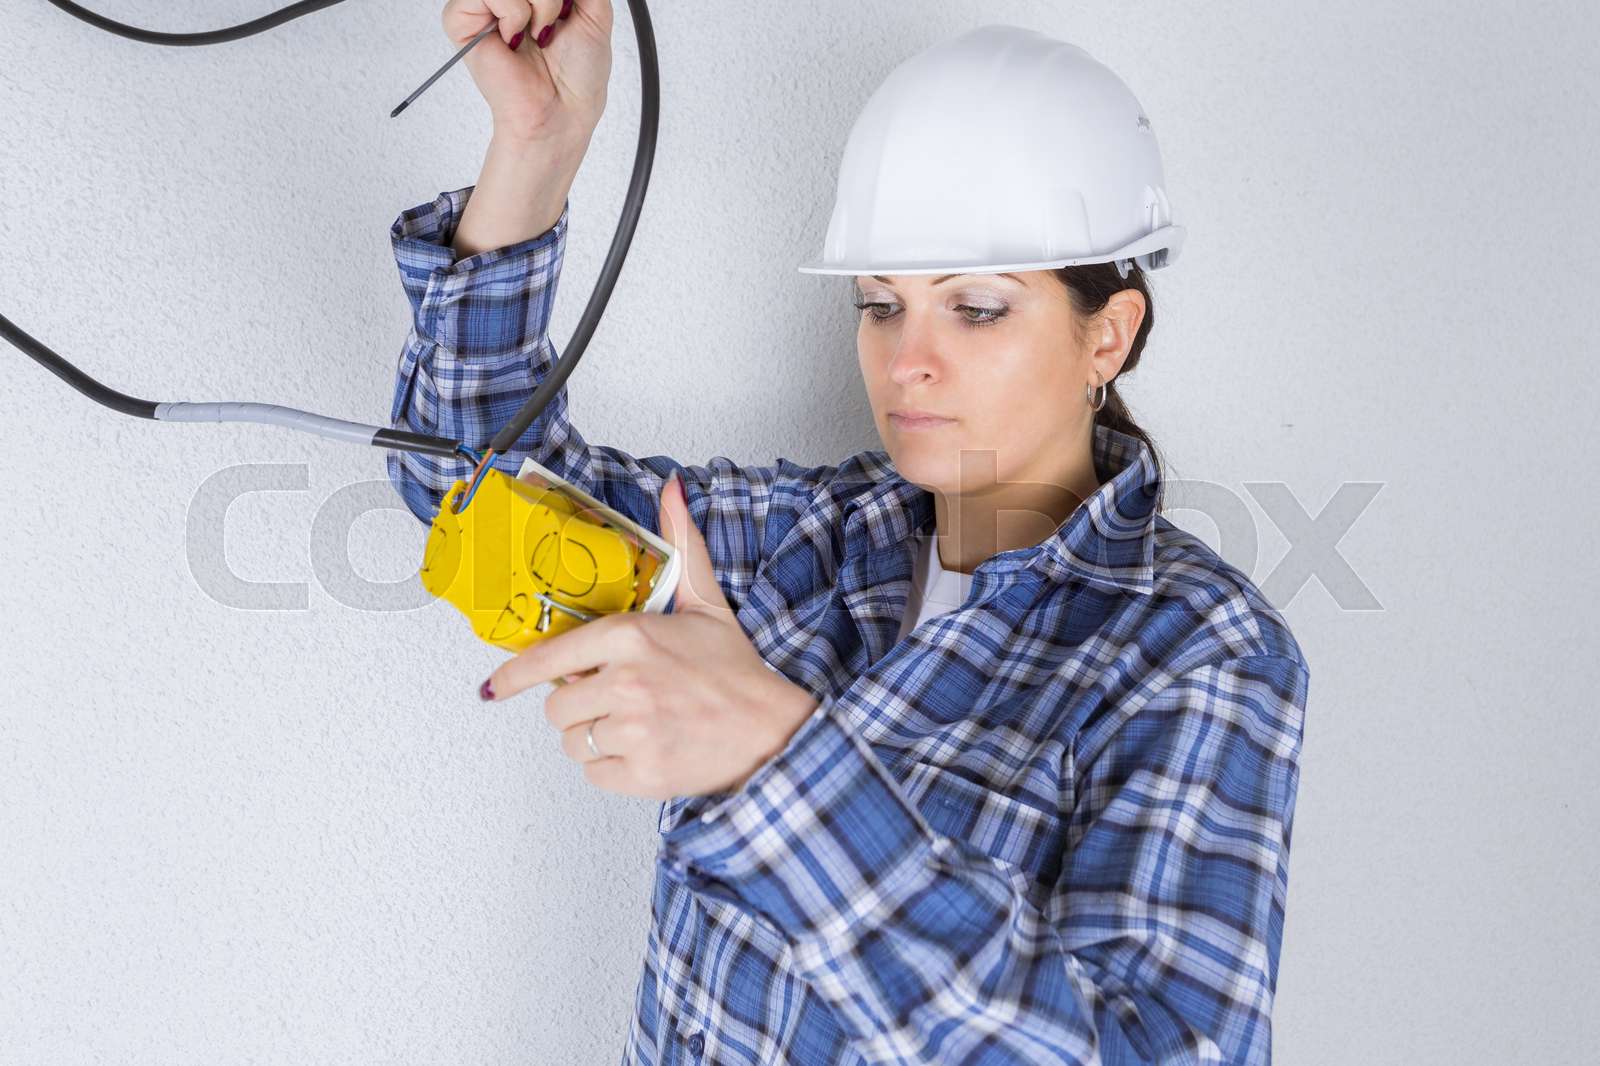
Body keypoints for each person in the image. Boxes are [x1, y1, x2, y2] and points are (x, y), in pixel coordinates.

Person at [387, 3, 1312, 1063]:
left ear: (1108, 332)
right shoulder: (811, 545)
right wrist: (537, 150)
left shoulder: (1198, 654)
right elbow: (467, 488)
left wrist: (779, 761)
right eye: (880, 304)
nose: (905, 360)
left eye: (973, 308)